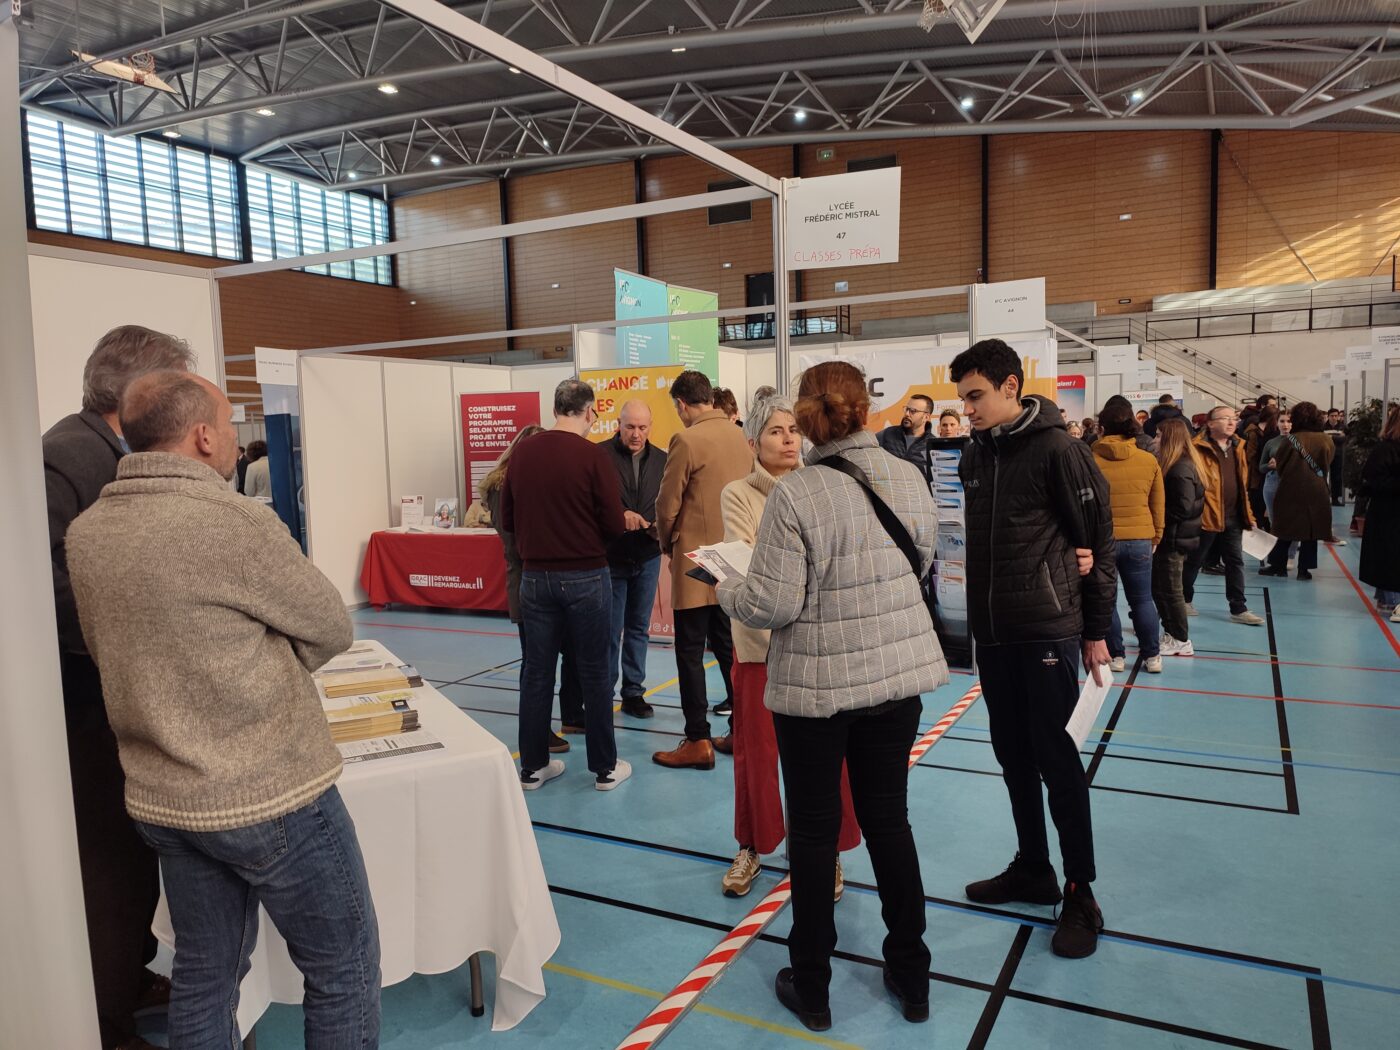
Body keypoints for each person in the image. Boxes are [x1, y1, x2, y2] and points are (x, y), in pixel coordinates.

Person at [65, 371, 380, 1049]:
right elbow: (330, 626)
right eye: (229, 424)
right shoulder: (233, 522)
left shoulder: (89, 532)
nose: (238, 438)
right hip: (271, 792)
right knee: (343, 968)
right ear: (204, 435)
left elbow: (107, 649)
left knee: (205, 976)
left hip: (165, 800)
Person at [718, 361, 947, 1031]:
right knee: (889, 824)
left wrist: (727, 585)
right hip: (897, 682)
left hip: (817, 693)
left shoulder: (797, 495)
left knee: (814, 836)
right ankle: (912, 974)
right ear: (866, 409)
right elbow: (923, 560)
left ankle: (812, 982)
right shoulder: (908, 476)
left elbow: (772, 604)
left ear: (809, 418)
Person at [43, 325, 195, 1050]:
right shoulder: (66, 457)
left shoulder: (106, 454)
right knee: (108, 869)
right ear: (144, 394)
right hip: (83, 711)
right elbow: (48, 590)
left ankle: (131, 980)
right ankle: (105, 1024)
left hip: (114, 697)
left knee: (133, 863)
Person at [951, 338, 1117, 960]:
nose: (967, 408)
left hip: (1048, 631)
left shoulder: (1061, 451)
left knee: (1058, 762)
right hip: (993, 636)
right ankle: (1032, 867)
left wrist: (1096, 631)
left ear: (1011, 387)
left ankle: (1081, 892)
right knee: (1012, 755)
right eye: (963, 398)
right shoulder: (977, 456)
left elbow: (1097, 547)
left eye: (976, 396)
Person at [717, 395, 863, 902]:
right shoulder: (736, 493)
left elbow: (825, 561)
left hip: (817, 647)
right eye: (777, 431)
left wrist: (781, 561)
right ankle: (753, 844)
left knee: (829, 761)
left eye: (793, 431)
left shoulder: (819, 485)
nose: (788, 440)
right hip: (757, 645)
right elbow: (749, 561)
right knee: (754, 755)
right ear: (753, 440)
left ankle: (830, 855)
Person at [502, 379, 630, 790]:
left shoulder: (522, 454)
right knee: (594, 671)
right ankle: (605, 769)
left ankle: (533, 766)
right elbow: (613, 523)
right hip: (586, 577)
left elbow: (506, 519)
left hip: (535, 578)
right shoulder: (593, 457)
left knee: (536, 673)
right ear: (590, 412)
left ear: (556, 407)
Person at [653, 370, 753, 769]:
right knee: (730, 648)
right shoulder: (738, 435)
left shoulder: (686, 439)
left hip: (695, 562)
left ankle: (697, 739)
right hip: (733, 561)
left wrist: (667, 542)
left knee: (690, 653)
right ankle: (743, 730)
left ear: (681, 404)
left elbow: (666, 503)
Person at [481, 424, 574, 754]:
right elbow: (514, 542)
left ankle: (549, 726)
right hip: (527, 581)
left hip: (533, 580)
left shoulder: (510, 484)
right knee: (537, 664)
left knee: (543, 660)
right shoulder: (504, 488)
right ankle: (538, 734)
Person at [604, 400, 667, 719]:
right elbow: (589, 502)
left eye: (643, 427)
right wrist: (619, 515)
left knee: (639, 627)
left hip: (647, 554)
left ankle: (633, 693)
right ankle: (604, 692)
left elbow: (670, 501)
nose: (636, 434)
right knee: (610, 630)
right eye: (630, 427)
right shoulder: (599, 456)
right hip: (612, 556)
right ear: (619, 424)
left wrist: (660, 523)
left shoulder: (663, 459)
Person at [1093, 401, 1165, 674]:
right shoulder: (1148, 461)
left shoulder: (1090, 459)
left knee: (1106, 599)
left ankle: (1116, 655)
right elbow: (1157, 503)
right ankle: (1153, 656)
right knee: (1143, 599)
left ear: (1101, 429)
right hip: (1140, 539)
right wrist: (1156, 534)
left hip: (1102, 540)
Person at [1184, 406, 1264, 625]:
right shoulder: (1196, 448)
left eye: (1233, 418)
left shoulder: (1239, 446)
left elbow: (1242, 483)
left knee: (1235, 561)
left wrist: (1248, 512)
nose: (1231, 422)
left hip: (1233, 515)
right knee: (1195, 560)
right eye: (1225, 418)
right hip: (1206, 515)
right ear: (1210, 423)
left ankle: (1238, 608)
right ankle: (1184, 599)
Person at [1262, 402, 1334, 581]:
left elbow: (1281, 465)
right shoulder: (1326, 440)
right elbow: (1328, 461)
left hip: (1290, 488)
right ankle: (1304, 570)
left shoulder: (1290, 440)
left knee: (1284, 528)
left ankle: (1278, 566)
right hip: (1317, 489)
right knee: (1311, 530)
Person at [1153, 419, 1206, 657]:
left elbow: (1182, 507)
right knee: (1162, 588)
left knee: (1171, 590)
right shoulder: (1178, 464)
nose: (1155, 440)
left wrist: (1156, 519)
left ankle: (1180, 638)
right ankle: (1171, 631)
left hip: (1174, 539)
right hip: (1175, 538)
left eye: (1158, 436)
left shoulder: (1180, 468)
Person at [1358, 404, 1400, 618]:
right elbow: (1373, 479)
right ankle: (1393, 601)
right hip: (1388, 512)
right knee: (1391, 556)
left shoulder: (1386, 448)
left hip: (1388, 511)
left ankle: (1386, 599)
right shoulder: (1385, 449)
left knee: (1389, 556)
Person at [877, 393, 935, 481]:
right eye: (907, 409)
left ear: (926, 417)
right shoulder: (887, 434)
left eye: (913, 411)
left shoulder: (934, 444)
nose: (907, 414)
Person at [1242, 405, 1277, 527]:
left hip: (1264, 474)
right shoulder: (1253, 432)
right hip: (1257, 476)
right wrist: (1264, 466)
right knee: (1258, 508)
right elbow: (1250, 456)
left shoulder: (1270, 431)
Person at [1258, 411, 1292, 527]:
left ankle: (1292, 546)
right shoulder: (1270, 443)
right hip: (1273, 483)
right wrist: (1269, 466)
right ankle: (1277, 545)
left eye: (1289, 421)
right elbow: (1261, 468)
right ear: (1277, 423)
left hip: (1293, 483)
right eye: (1282, 421)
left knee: (1293, 522)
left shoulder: (1299, 442)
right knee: (1275, 523)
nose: (1285, 425)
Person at [1325, 407, 1348, 506]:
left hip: (1338, 454)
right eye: (1332, 416)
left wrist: (1330, 437)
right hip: (1325, 453)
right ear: (1328, 416)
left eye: (1336, 416)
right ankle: (1323, 498)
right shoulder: (1322, 427)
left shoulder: (1343, 427)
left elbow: (1343, 440)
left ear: (1338, 417)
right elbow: (1322, 439)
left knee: (1336, 477)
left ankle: (1335, 499)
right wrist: (1337, 436)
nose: (1334, 418)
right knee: (1322, 476)